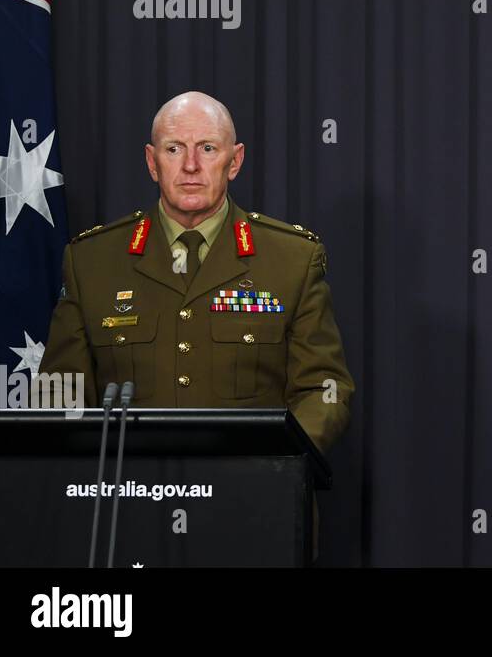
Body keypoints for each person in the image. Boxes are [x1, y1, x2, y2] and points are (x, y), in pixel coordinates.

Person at [36, 91, 354, 454]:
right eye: (173, 149)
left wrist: (278, 461)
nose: (190, 166)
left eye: (207, 148)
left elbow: (325, 389)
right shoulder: (92, 261)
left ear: (234, 162)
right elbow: (58, 389)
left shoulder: (293, 259)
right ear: (152, 163)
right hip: (131, 493)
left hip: (252, 495)